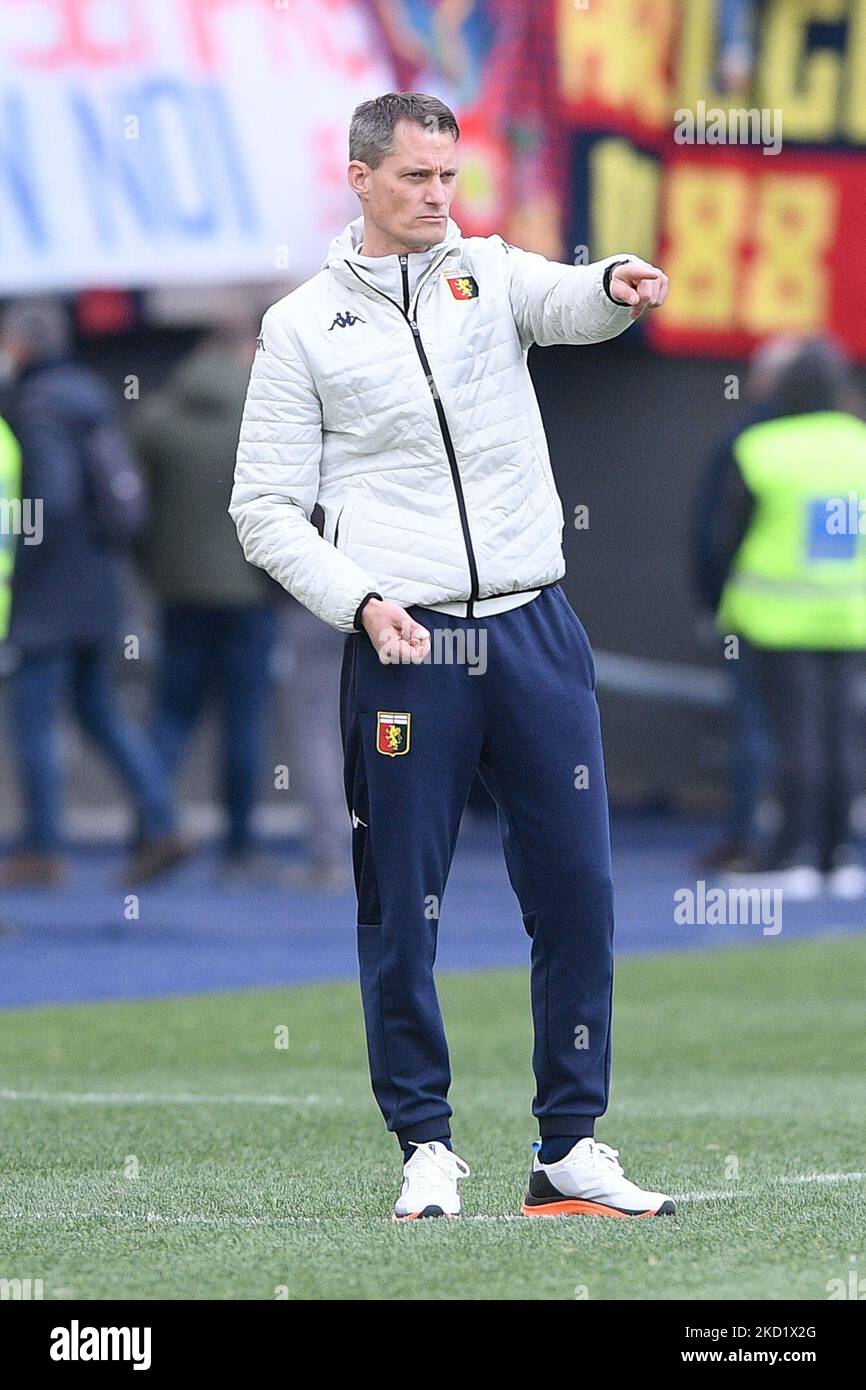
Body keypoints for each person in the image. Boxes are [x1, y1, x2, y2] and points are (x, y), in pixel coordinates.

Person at [230, 92, 673, 1220]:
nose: (438, 197)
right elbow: (264, 510)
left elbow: (569, 300)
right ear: (362, 178)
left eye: (449, 176)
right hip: (407, 638)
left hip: (532, 625)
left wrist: (615, 280)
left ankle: (568, 1147)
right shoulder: (299, 327)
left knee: (577, 892)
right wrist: (360, 600)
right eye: (418, 178)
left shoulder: (488, 274)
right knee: (401, 904)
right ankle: (423, 1143)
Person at [0, 299, 190, 888]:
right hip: (99, 584)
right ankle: (161, 823)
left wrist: (21, 568)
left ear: (24, 346)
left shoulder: (37, 407)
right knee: (99, 712)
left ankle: (41, 849)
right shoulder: (89, 396)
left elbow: (50, 502)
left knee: (34, 718)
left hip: (50, 593)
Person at [714, 337, 866, 899]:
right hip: (850, 618)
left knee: (792, 740)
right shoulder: (860, 445)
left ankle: (790, 854)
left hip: (775, 620)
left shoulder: (762, 447)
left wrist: (718, 603)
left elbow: (724, 537)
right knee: (843, 738)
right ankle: (839, 855)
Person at [132, 325, 283, 879]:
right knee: (242, 721)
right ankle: (239, 847)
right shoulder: (263, 412)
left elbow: (131, 510)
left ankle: (151, 829)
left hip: (178, 593)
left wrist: (155, 571)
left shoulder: (156, 418)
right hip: (249, 594)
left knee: (171, 715)